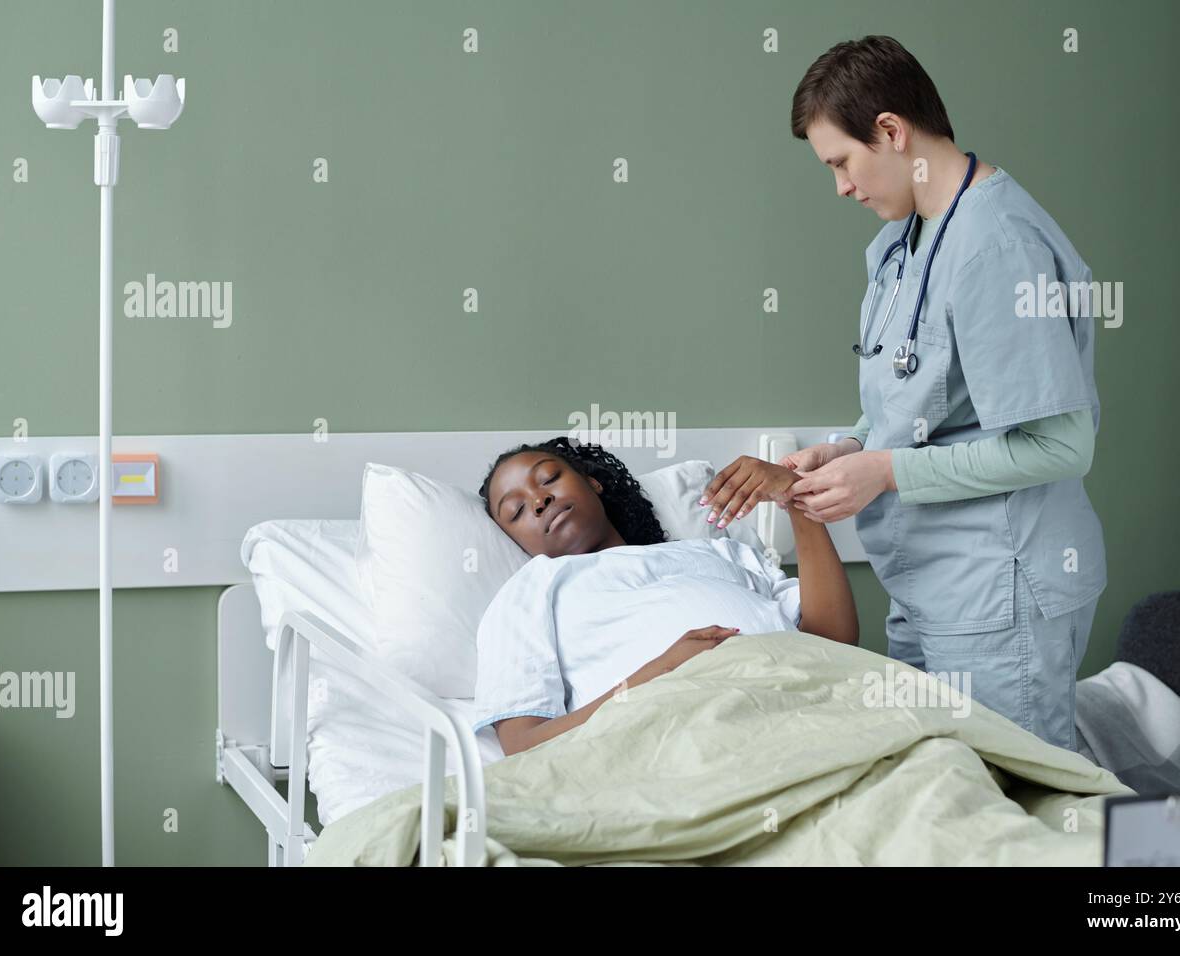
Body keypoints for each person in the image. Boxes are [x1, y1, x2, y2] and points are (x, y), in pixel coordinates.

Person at [701, 36, 1107, 752]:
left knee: (1009, 821)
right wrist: (852, 445)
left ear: (891, 131)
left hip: (997, 594)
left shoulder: (997, 246)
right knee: (935, 800)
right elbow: (920, 394)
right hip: (928, 587)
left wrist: (883, 472)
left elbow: (1062, 443)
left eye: (841, 163)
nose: (842, 187)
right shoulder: (902, 242)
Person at [471, 437, 857, 756]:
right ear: (515, 540)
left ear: (593, 483)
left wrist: (795, 497)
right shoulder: (531, 591)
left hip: (816, 713)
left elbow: (834, 640)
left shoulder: (718, 552)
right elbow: (524, 747)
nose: (539, 501)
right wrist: (660, 673)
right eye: (518, 510)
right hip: (685, 741)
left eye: (550, 478)